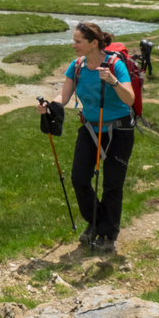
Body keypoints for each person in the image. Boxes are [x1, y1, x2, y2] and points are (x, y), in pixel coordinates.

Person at [37, 22, 136, 253]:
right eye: (74, 40)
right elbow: (64, 94)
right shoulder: (77, 66)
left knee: (112, 184)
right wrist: (50, 105)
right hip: (90, 128)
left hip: (119, 131)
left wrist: (113, 81)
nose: (74, 45)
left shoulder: (115, 65)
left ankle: (108, 235)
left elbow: (129, 99)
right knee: (79, 178)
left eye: (78, 41)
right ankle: (96, 223)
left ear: (94, 43)